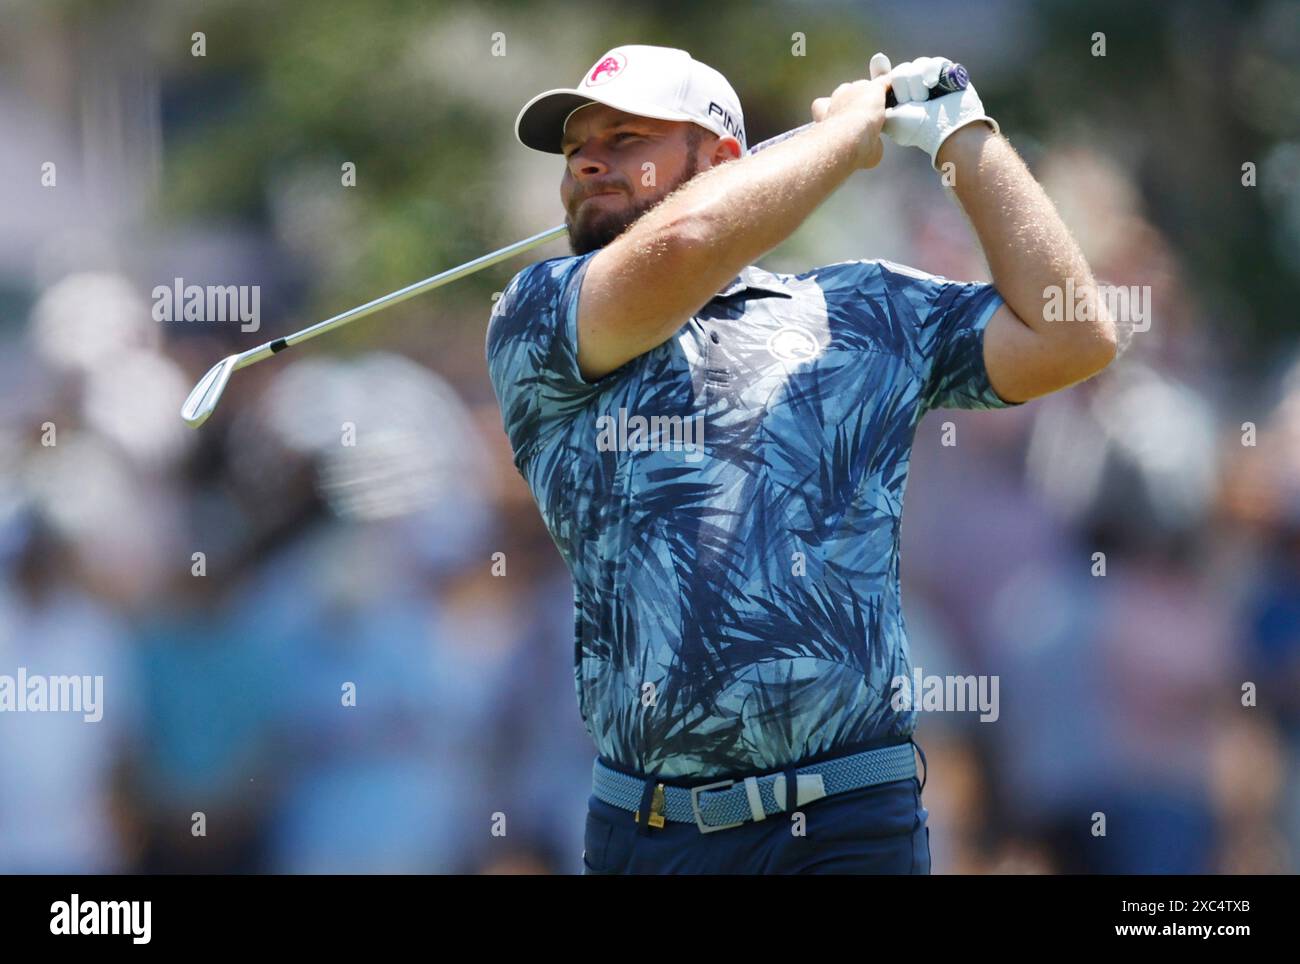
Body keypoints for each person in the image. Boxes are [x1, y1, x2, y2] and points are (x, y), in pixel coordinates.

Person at [486, 44, 1116, 874]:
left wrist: (961, 136)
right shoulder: (541, 315)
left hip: (851, 818)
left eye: (628, 137)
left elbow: (1073, 334)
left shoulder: (862, 308)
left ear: (722, 160)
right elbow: (687, 242)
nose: (589, 161)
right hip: (652, 830)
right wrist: (845, 139)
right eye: (576, 151)